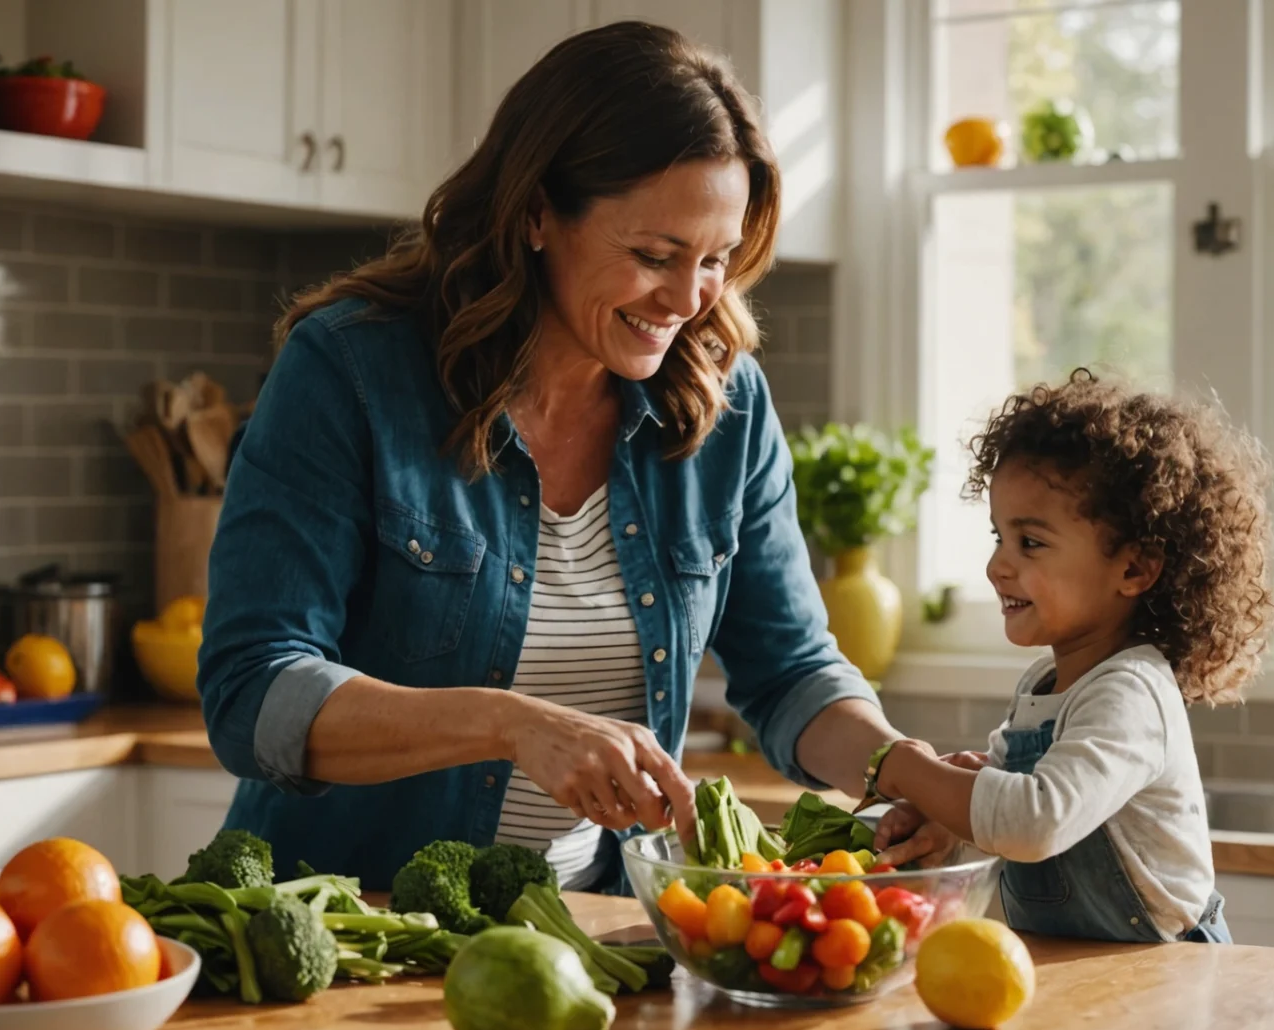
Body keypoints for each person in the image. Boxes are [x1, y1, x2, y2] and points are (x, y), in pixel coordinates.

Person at [197, 22, 910, 891]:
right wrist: (508, 723)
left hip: (589, 935)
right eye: (654, 255)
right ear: (537, 212)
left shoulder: (727, 404)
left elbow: (792, 671)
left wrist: (915, 777)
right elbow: (252, 693)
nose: (688, 299)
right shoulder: (349, 372)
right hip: (346, 927)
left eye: (717, 260)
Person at [869, 371, 1274, 942]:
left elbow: (1036, 820)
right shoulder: (1046, 683)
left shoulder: (1131, 693)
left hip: (1168, 969)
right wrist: (950, 819)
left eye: (1030, 543)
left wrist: (899, 765)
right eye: (998, 539)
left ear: (1134, 569)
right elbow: (1011, 795)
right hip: (1094, 971)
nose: (997, 567)